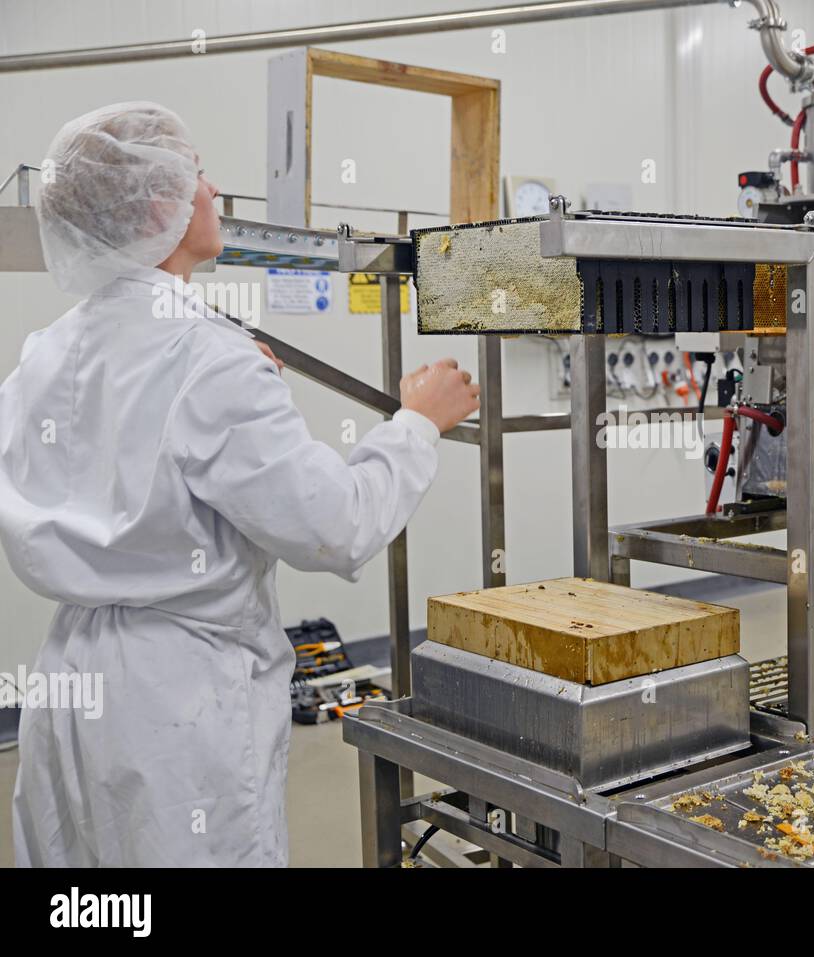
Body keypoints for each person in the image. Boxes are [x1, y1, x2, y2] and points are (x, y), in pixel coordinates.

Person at [0, 102, 479, 866]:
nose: (213, 189)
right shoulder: (208, 360)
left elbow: (131, 448)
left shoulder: (46, 355)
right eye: (196, 174)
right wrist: (420, 421)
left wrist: (228, 381)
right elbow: (337, 525)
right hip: (178, 704)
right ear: (158, 204)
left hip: (69, 687)